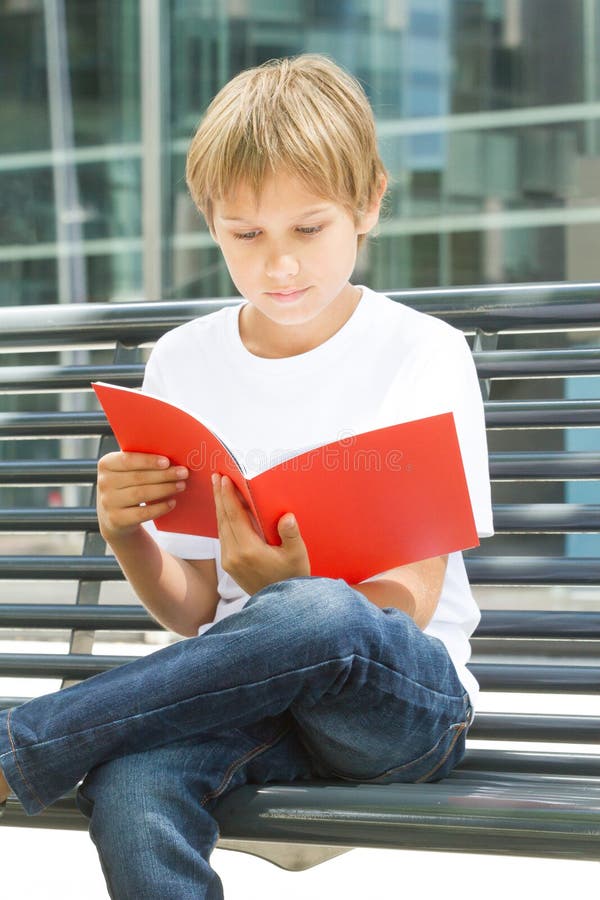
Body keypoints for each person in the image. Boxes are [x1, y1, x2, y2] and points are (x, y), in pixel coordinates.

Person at [0, 54, 493, 898]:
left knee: (317, 609)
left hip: (397, 704)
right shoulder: (185, 360)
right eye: (246, 235)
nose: (281, 268)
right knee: (132, 781)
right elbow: (196, 611)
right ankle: (40, 749)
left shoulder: (422, 352)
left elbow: (408, 596)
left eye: (309, 229)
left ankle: (24, 747)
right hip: (252, 703)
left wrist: (287, 595)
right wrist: (127, 536)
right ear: (211, 221)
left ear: (369, 202)